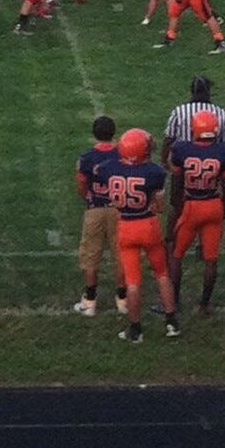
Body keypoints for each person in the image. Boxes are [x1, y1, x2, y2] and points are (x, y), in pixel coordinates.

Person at [95, 129, 179, 343]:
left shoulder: (108, 169)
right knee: (161, 274)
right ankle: (171, 323)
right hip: (148, 224)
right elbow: (160, 206)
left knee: (133, 282)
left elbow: (98, 174)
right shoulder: (155, 172)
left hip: (126, 225)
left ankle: (135, 330)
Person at [170, 111, 225, 317]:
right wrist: (222, 210)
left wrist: (178, 208)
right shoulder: (223, 152)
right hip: (213, 203)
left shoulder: (181, 149)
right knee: (211, 259)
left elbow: (177, 185)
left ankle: (174, 301)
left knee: (177, 255)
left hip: (192, 204)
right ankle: (204, 305)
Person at [73, 116, 126, 317]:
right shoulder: (122, 155)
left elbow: (81, 184)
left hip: (95, 208)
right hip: (118, 208)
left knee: (91, 254)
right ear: (114, 132)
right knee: (121, 253)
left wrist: (89, 197)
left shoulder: (87, 158)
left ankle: (90, 300)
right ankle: (123, 299)